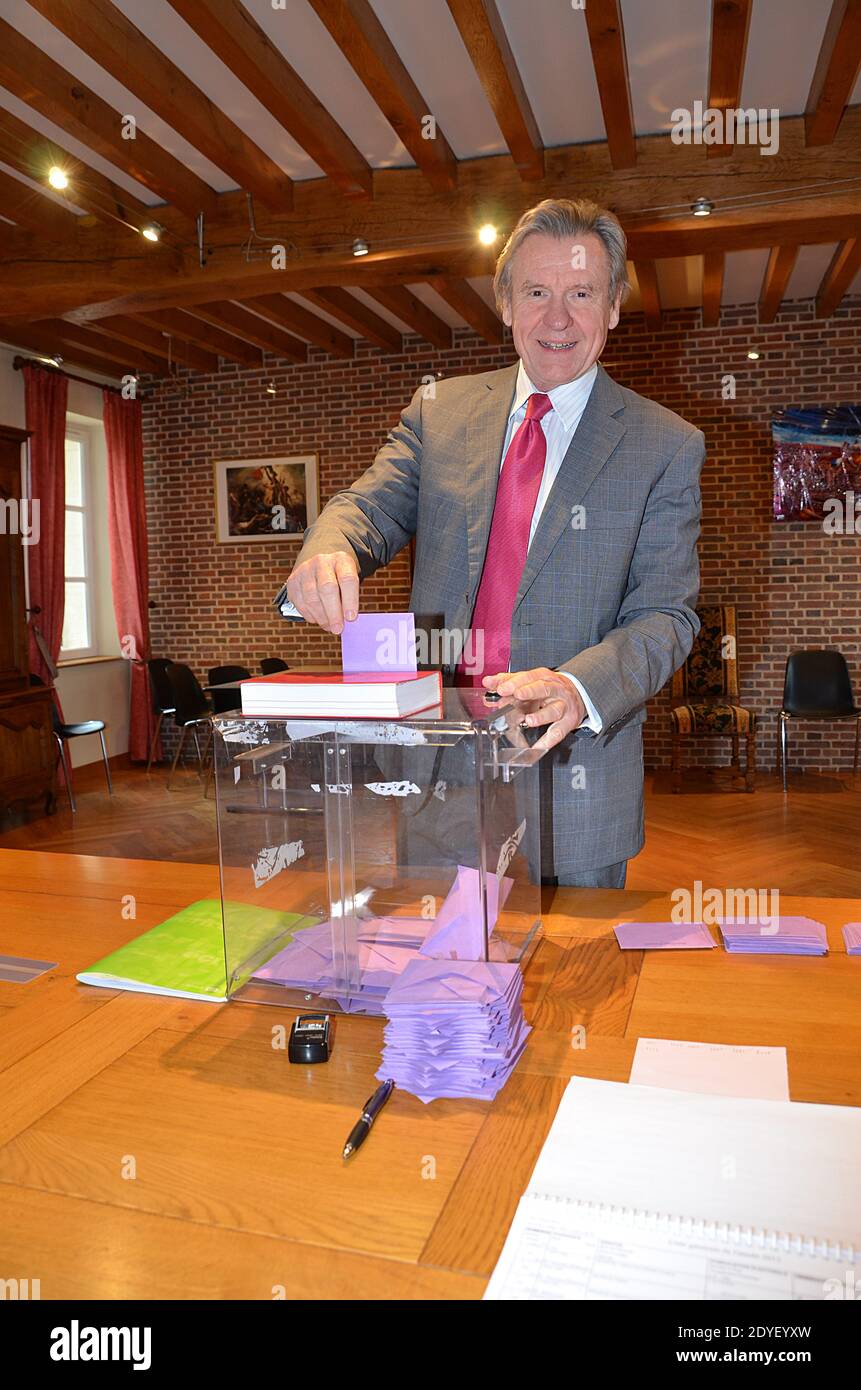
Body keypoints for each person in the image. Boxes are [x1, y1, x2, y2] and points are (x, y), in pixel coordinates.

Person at [285, 198, 704, 888]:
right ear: (506, 302)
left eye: (581, 293)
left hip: (573, 777)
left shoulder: (664, 445)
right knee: (438, 987)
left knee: (573, 991)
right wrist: (324, 548)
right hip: (437, 774)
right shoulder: (439, 413)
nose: (558, 317)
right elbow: (363, 505)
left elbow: (666, 614)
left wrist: (576, 684)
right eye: (536, 292)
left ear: (613, 307)